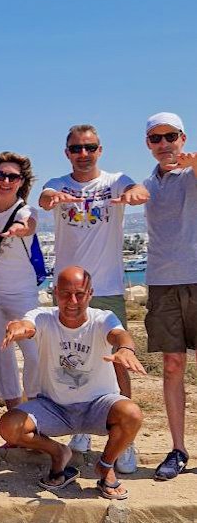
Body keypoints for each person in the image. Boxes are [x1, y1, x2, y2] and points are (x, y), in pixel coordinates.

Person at [38, 124, 149, 471]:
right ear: (66, 152)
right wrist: (51, 199)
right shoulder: (58, 184)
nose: (83, 154)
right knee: (69, 358)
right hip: (68, 289)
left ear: (100, 149)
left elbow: (139, 190)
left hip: (109, 286)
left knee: (117, 359)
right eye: (76, 148)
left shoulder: (115, 180)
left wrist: (133, 196)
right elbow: (44, 198)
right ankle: (80, 428)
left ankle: (124, 439)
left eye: (89, 147)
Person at [0, 267, 146, 500]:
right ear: (55, 292)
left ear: (90, 294)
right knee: (9, 426)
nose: (72, 301)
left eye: (80, 294)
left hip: (98, 405)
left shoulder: (103, 318)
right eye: (65, 294)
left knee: (132, 414)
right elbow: (27, 325)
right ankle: (59, 454)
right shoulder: (43, 317)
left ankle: (105, 466)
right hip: (55, 407)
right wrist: (17, 328)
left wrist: (126, 349)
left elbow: (119, 335)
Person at [140, 113, 197, 481]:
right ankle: (178, 449)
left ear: (182, 137)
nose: (164, 144)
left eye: (170, 136)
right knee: (173, 366)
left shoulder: (191, 174)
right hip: (161, 282)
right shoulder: (148, 184)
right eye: (156, 138)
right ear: (148, 144)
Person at [0, 152, 41, 411]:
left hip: (20, 296)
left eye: (12, 176)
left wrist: (21, 228)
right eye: (0, 175)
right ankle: (15, 415)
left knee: (34, 354)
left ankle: (37, 411)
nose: (5, 181)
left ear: (21, 180)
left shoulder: (24, 210)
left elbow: (30, 224)